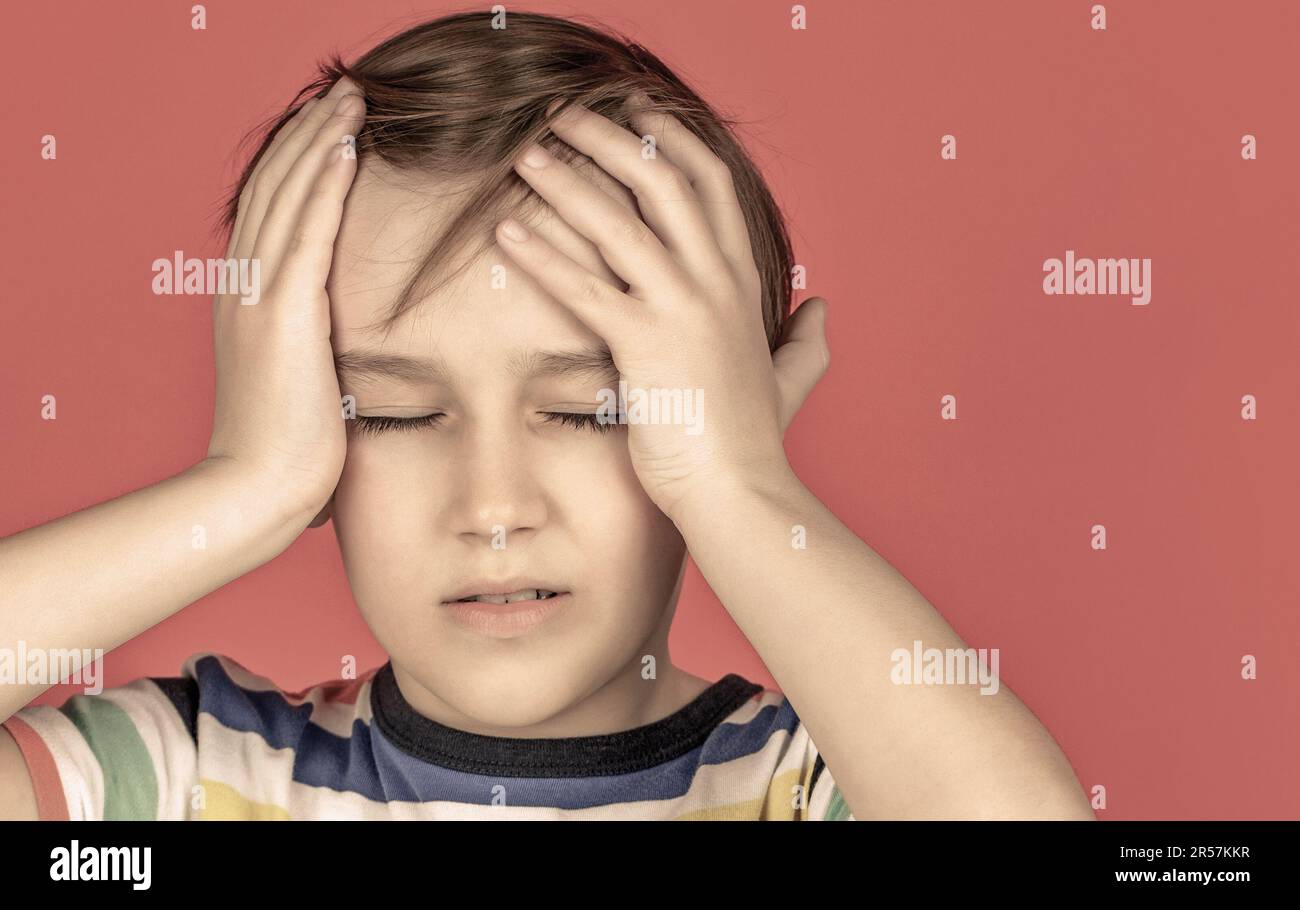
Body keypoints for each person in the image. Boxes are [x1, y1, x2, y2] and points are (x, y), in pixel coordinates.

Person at [0, 10, 1094, 820]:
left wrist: (739, 487)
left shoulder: (815, 788)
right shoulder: (180, 786)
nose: (494, 506)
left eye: (588, 409)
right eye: (388, 414)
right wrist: (243, 488)